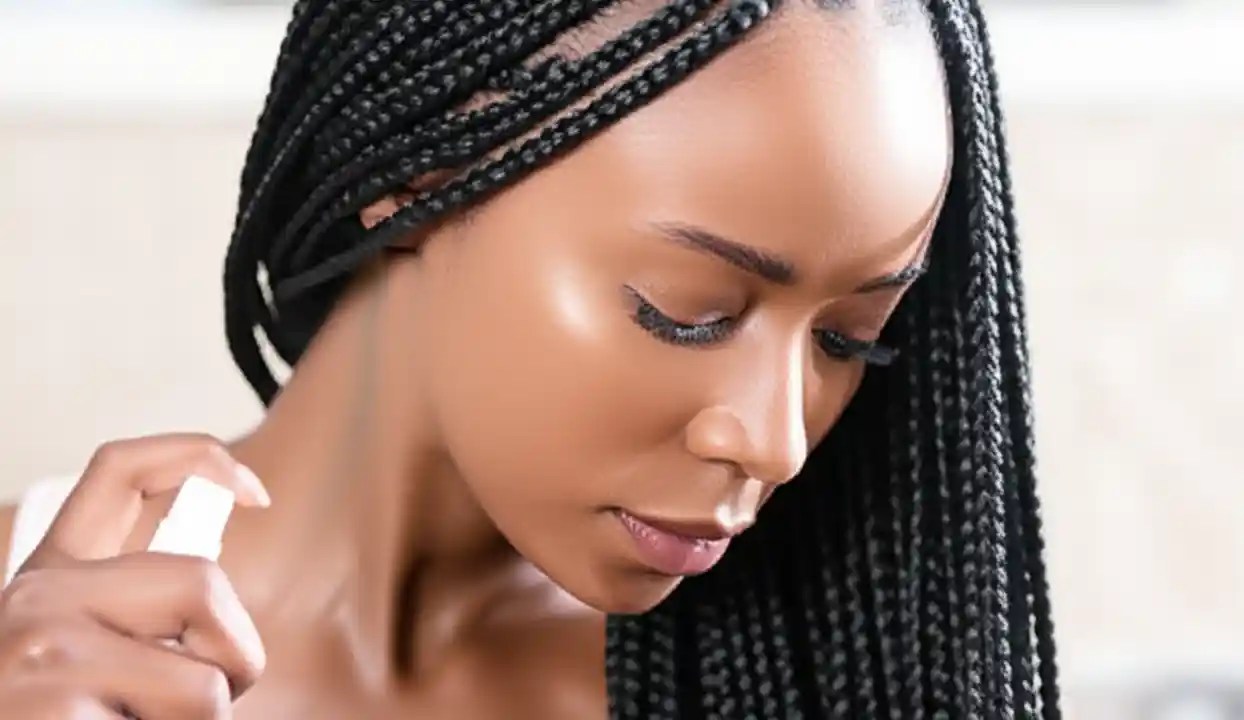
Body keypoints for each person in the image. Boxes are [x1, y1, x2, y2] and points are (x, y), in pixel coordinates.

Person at [0, 0, 1060, 717]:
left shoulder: (791, 688)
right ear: (422, 177)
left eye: (847, 340)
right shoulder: (30, 644)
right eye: (686, 312)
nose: (773, 441)